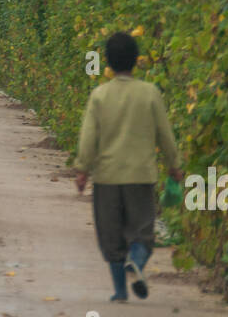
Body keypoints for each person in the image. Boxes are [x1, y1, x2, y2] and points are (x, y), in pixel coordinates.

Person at [74, 31, 183, 303]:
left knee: (111, 236)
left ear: (108, 63)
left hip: (107, 178)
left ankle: (120, 291)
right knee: (142, 232)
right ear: (136, 60)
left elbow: (89, 137)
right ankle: (136, 260)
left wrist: (82, 169)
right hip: (140, 176)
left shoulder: (100, 95)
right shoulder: (150, 94)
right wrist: (175, 165)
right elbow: (165, 134)